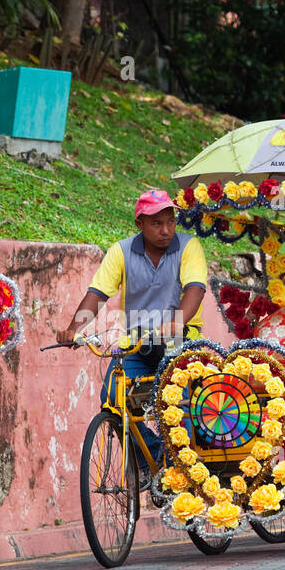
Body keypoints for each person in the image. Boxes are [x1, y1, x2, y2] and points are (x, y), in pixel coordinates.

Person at [57, 188, 207, 476]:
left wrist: (176, 322)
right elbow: (98, 293)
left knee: (178, 400)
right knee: (113, 398)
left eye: (170, 222)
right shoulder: (122, 251)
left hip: (179, 339)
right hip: (137, 341)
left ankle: (185, 467)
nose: (165, 230)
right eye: (156, 224)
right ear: (139, 224)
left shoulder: (189, 247)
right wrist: (73, 330)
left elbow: (195, 289)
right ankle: (149, 461)